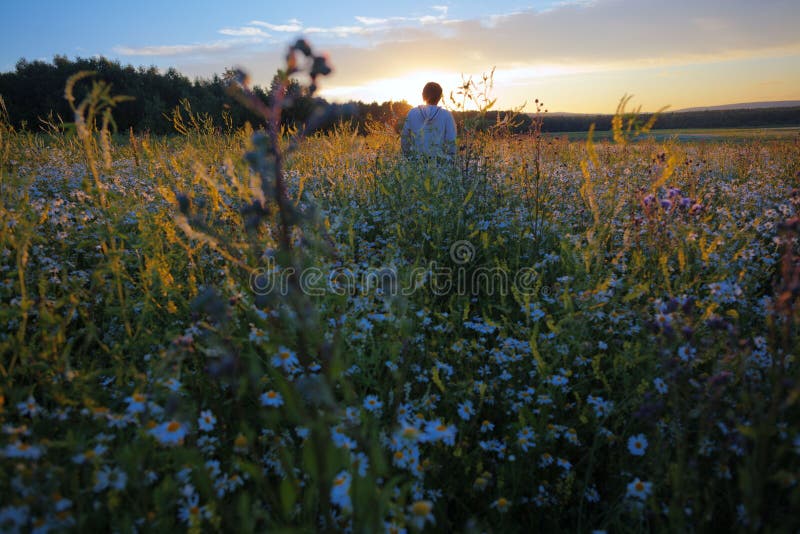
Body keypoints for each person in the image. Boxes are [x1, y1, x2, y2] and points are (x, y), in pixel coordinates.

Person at [401, 82, 457, 160]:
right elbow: (451, 143)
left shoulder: (412, 113)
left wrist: (408, 156)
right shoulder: (446, 115)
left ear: (423, 95)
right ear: (440, 97)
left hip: (415, 164)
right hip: (440, 165)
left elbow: (405, 139)